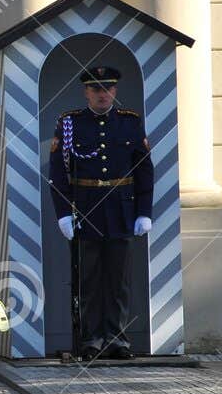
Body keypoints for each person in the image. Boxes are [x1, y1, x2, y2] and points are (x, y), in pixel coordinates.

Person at [49, 65, 152, 360]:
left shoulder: (129, 123)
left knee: (118, 280)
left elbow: (144, 169)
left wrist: (144, 211)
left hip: (122, 207)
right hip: (86, 208)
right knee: (90, 280)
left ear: (115, 91)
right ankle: (92, 340)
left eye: (107, 88)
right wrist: (63, 213)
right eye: (96, 89)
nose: (102, 94)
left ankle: (118, 339)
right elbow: (58, 172)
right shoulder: (70, 123)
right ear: (87, 92)